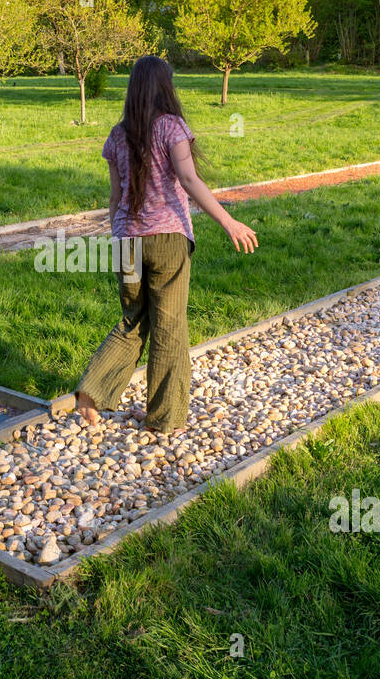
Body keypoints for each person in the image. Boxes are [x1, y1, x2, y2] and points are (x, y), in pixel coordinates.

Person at [75, 55, 258, 433]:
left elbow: (114, 198)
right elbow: (189, 181)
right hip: (167, 238)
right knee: (169, 326)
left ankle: (91, 390)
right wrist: (229, 221)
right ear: (165, 87)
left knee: (133, 319)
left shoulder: (116, 134)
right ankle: (165, 419)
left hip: (127, 240)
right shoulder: (171, 127)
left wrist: (118, 238)